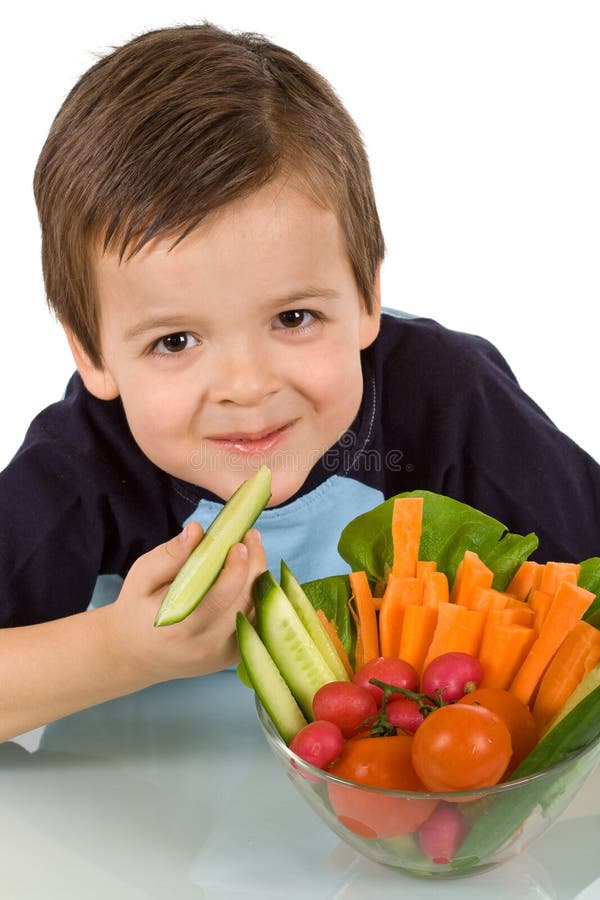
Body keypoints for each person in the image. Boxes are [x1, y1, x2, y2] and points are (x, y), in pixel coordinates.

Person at [1, 23, 598, 743]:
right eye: (175, 341)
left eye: (293, 317)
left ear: (367, 300)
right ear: (91, 353)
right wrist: (121, 652)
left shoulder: (448, 399)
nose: (247, 387)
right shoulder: (85, 459)